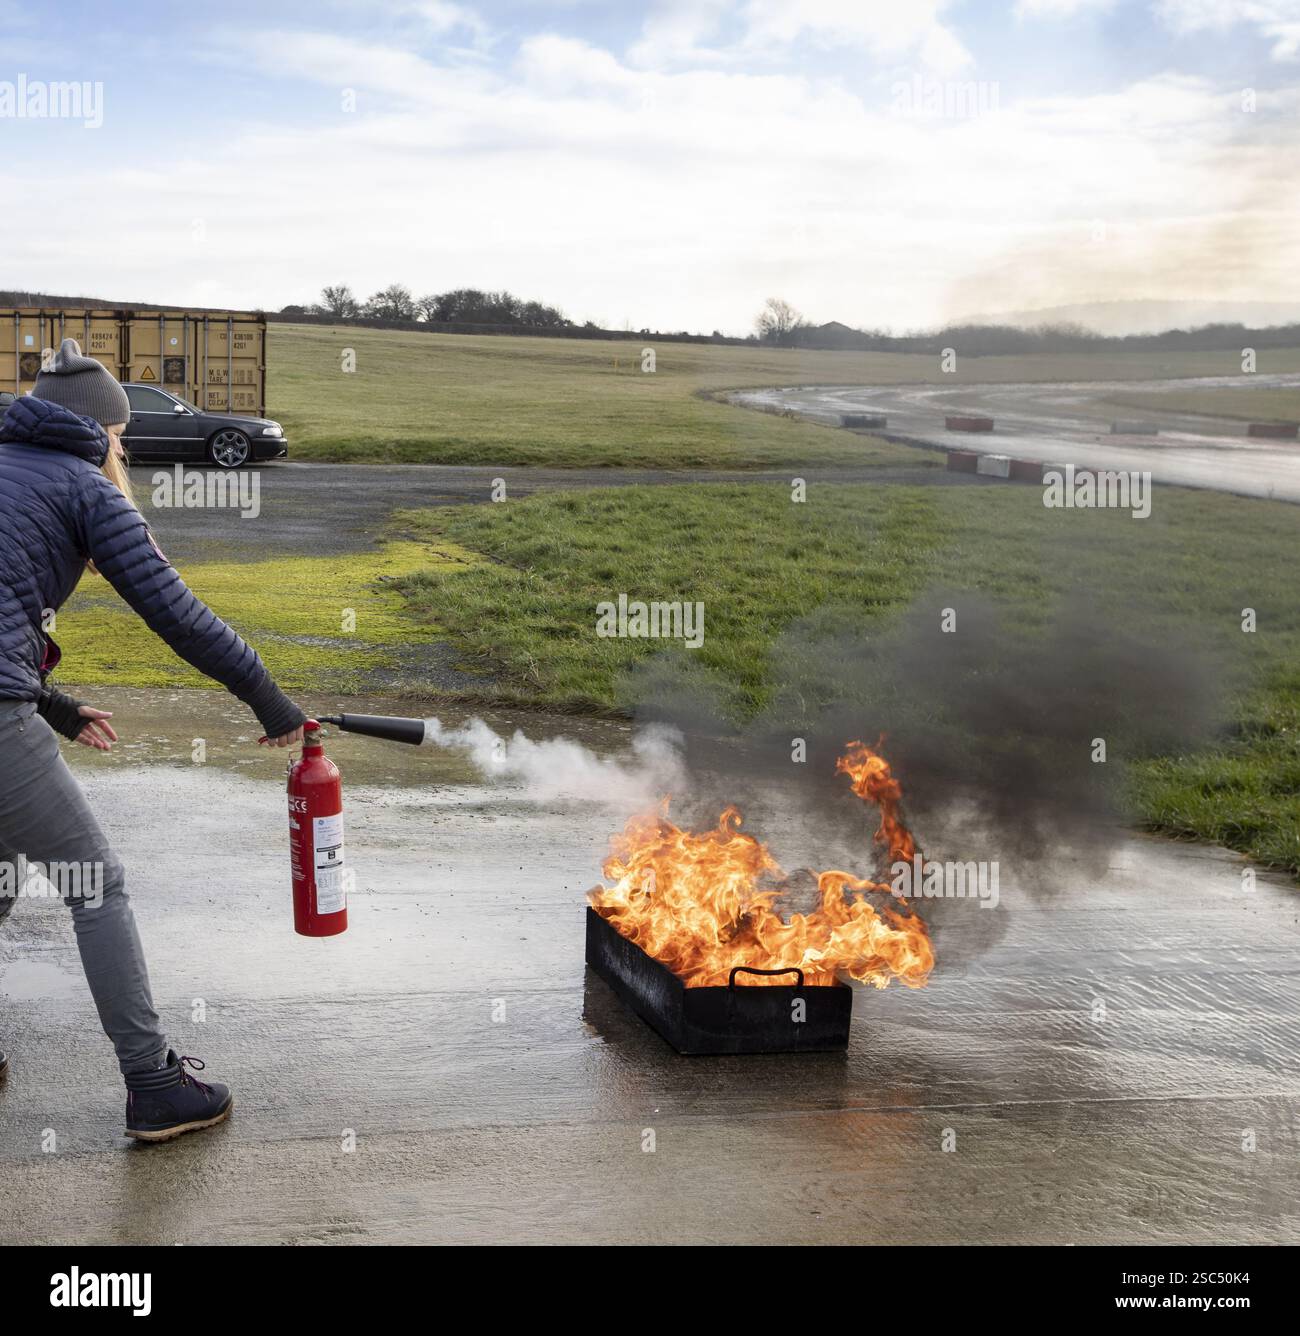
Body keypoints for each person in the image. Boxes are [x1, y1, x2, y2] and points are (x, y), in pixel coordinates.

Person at [0, 339, 305, 1141]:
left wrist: (55, 707)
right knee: (96, 886)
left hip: (11, 703)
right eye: (120, 433)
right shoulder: (83, 486)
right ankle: (155, 1086)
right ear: (96, 430)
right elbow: (178, 615)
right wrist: (269, 700)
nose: (124, 446)